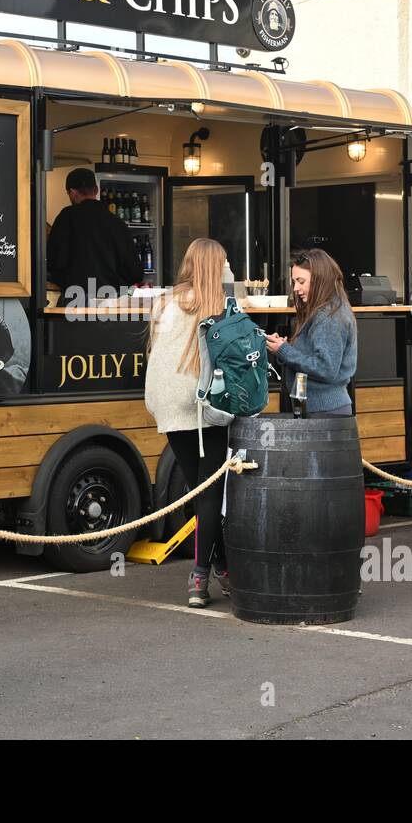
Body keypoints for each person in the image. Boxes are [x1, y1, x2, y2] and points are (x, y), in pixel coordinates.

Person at [144, 238, 231, 608]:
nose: (229, 269)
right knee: (210, 492)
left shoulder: (165, 302)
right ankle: (199, 578)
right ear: (215, 267)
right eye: (225, 263)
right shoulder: (217, 305)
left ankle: (225, 568)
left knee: (199, 489)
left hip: (163, 404)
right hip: (200, 405)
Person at [264, 248, 358, 416]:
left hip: (325, 412)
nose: (296, 288)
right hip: (321, 409)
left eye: (301, 281)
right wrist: (285, 347)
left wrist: (283, 350)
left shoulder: (329, 316)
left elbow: (325, 368)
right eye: (294, 282)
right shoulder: (327, 310)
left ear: (320, 279)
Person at [46, 167, 144, 306]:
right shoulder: (116, 223)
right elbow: (134, 272)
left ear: (72, 193)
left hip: (75, 299)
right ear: (96, 190)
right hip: (110, 301)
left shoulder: (67, 217)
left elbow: (54, 262)